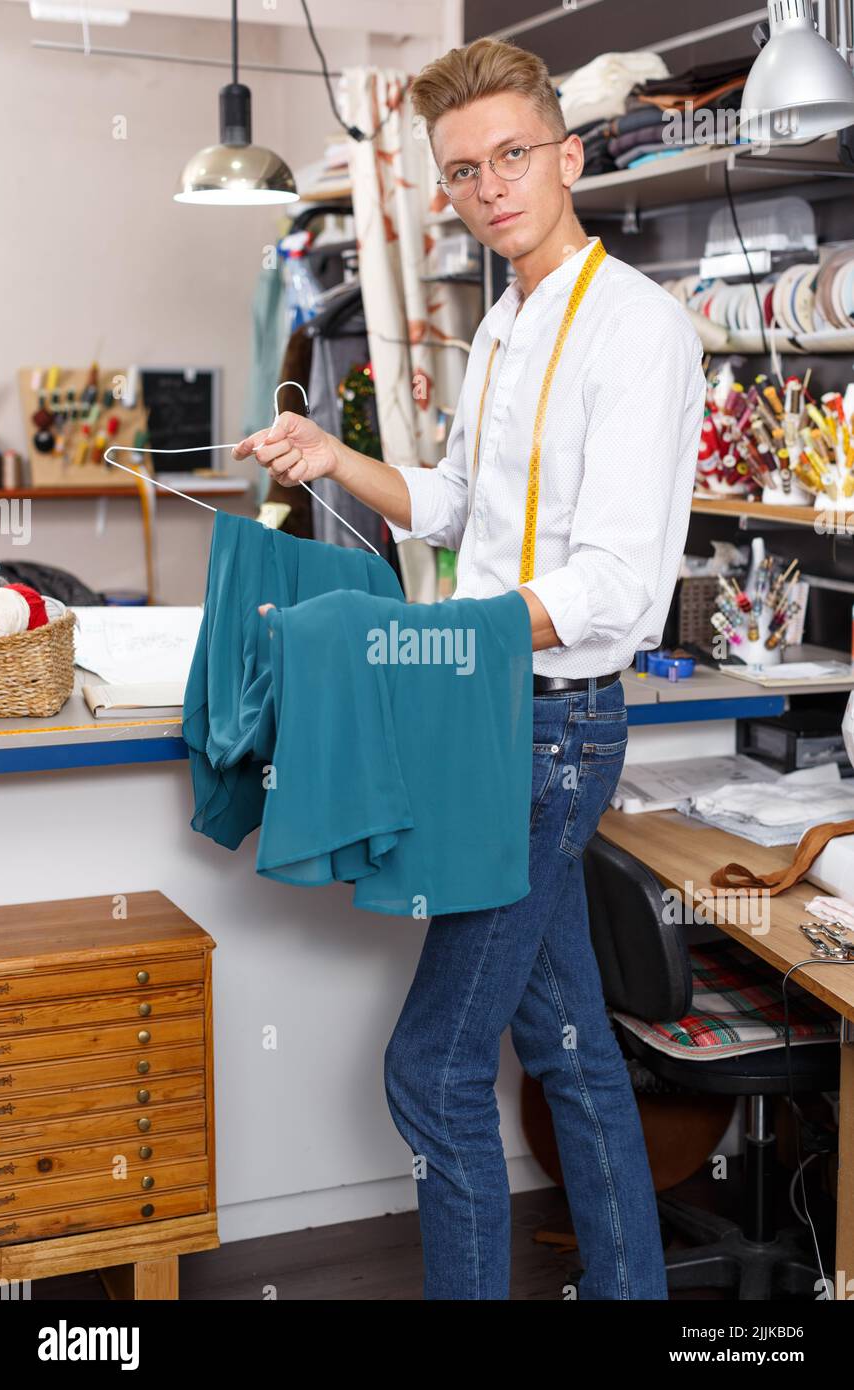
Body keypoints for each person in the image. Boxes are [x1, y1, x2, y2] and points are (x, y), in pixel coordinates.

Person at [233, 36, 706, 1300]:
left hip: (550, 733)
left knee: (431, 1069)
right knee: (566, 1049)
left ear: (562, 154)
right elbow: (453, 507)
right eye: (462, 171)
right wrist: (331, 461)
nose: (490, 186)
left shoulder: (636, 331)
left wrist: (432, 642)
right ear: (443, 190)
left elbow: (612, 587)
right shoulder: (499, 323)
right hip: (492, 717)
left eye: (510, 157)